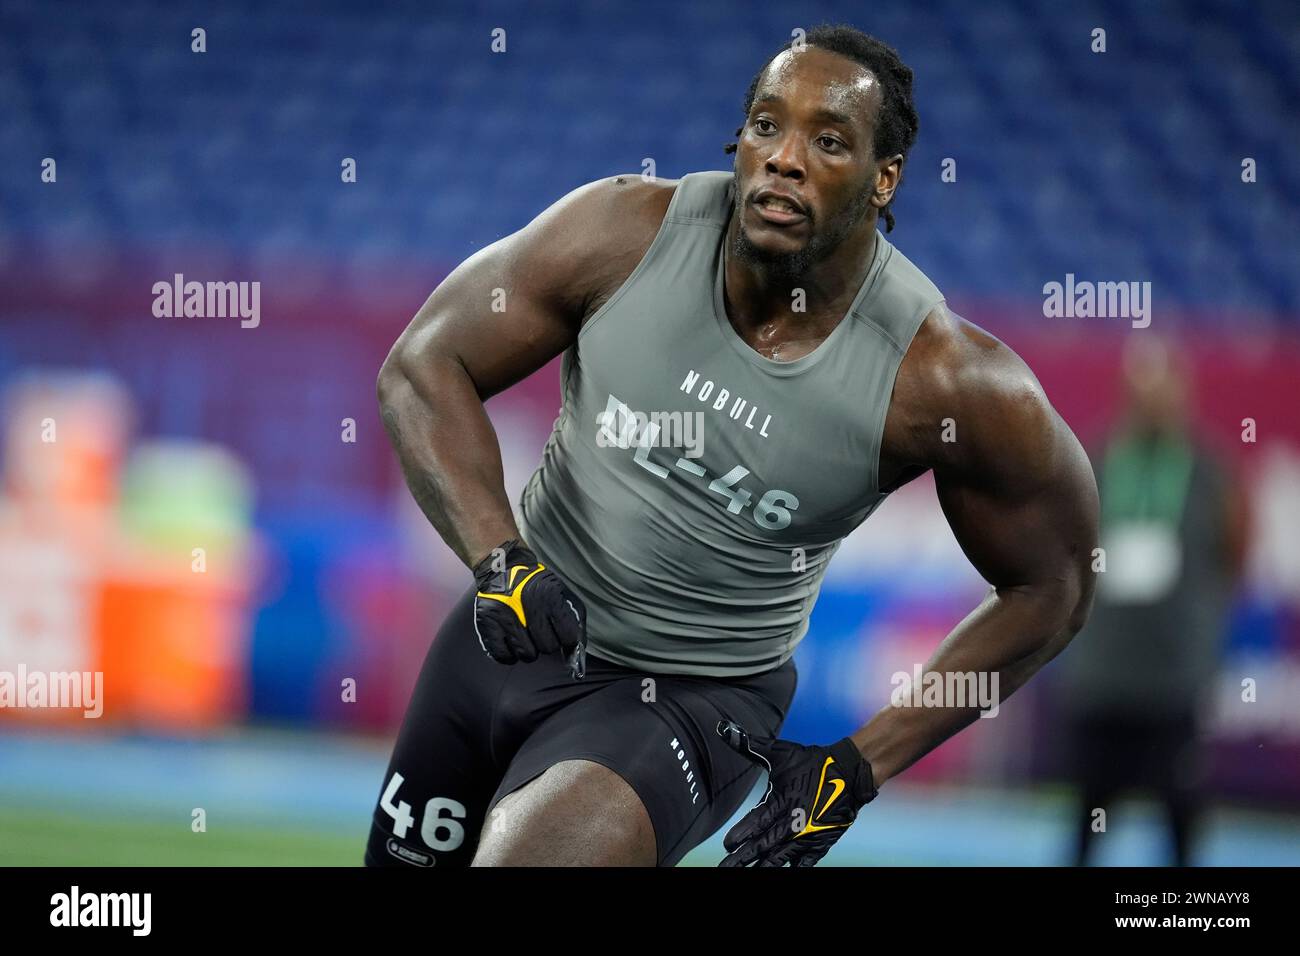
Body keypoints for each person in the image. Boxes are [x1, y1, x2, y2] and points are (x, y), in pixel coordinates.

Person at [367, 24, 1098, 868]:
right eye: (765, 126)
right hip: (511, 632)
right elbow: (423, 366)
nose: (785, 159)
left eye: (828, 141)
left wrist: (861, 766)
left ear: (883, 177)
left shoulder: (945, 381)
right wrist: (499, 558)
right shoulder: (619, 234)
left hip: (687, 700)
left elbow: (1056, 584)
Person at [1061, 336, 1247, 866]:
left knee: (1181, 808)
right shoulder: (1095, 460)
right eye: (1143, 391)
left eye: (1164, 390)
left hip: (1174, 674)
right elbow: (1067, 547)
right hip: (1104, 671)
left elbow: (1235, 553)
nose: (1154, 402)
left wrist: (1201, 621)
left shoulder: (1210, 469)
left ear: (1183, 394)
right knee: (1089, 809)